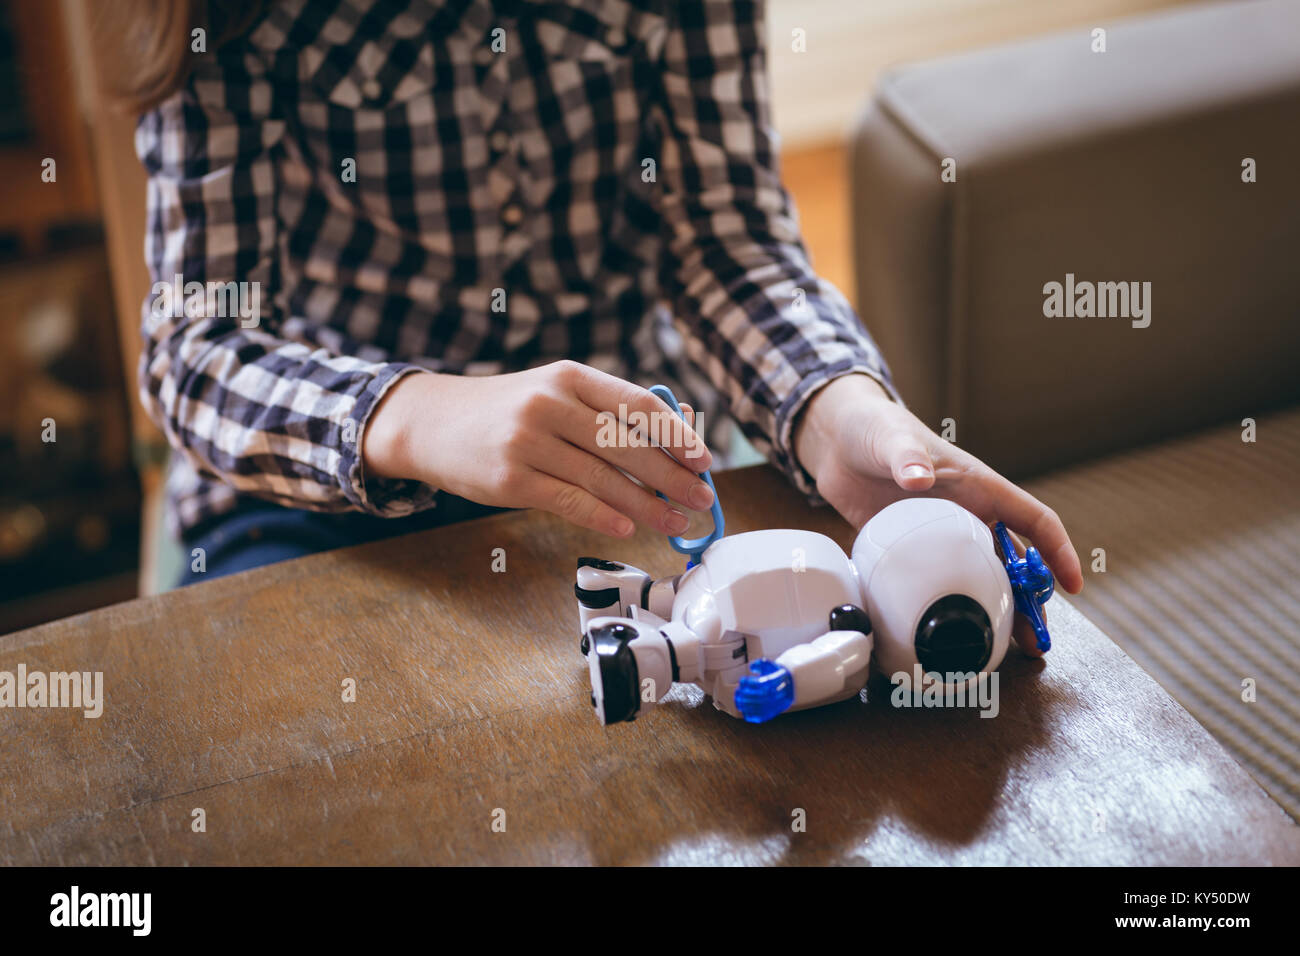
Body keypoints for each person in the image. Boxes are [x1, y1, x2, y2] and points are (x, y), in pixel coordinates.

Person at [113, 0, 1081, 651]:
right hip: (313, 493)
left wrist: (836, 410)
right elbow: (196, 347)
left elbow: (729, 244)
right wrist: (418, 415)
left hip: (637, 466)